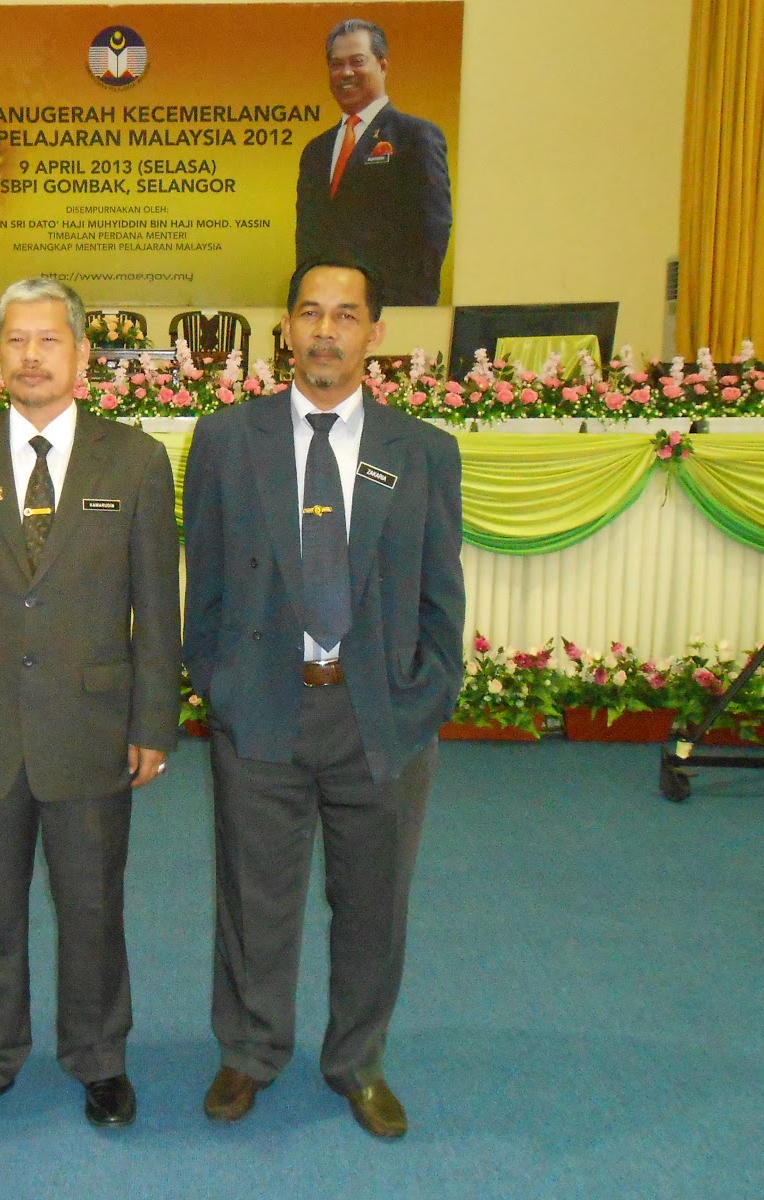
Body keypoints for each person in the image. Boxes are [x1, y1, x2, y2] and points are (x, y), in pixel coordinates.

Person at [182, 257, 465, 1136]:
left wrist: (426, 700)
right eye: (310, 312)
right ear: (287, 327)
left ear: (375, 333)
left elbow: (440, 597)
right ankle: (250, 1052)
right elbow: (208, 587)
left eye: (346, 315)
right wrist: (220, 690)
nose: (325, 331)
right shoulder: (229, 439)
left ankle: (357, 1059)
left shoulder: (421, 451)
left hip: (378, 717)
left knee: (374, 900)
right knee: (253, 897)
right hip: (262, 710)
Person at [0, 276, 181, 1131]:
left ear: (82, 356)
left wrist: (151, 723)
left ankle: (99, 1058)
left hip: (94, 729)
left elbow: (156, 605)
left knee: (92, 906)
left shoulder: (135, 459)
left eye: (48, 340)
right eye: (15, 341)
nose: (31, 357)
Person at [294, 18, 452, 307]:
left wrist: (412, 310)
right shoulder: (316, 151)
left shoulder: (415, 136)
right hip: (328, 310)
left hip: (392, 309)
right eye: (336, 64)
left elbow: (432, 229)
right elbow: (307, 240)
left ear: (382, 65)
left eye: (357, 61)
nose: (346, 73)